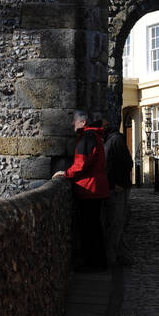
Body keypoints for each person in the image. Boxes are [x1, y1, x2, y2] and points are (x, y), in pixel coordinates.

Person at [53, 110, 109, 269]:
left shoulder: (87, 138)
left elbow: (81, 164)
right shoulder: (95, 136)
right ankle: (98, 262)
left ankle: (93, 264)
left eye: (74, 120)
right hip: (95, 186)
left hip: (89, 188)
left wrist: (65, 173)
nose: (72, 123)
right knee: (94, 227)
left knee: (89, 228)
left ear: (83, 123)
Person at [101, 118, 133, 265]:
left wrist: (118, 183)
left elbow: (127, 162)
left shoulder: (115, 140)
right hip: (112, 187)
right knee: (116, 222)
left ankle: (113, 257)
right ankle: (121, 256)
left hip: (118, 189)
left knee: (116, 222)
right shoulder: (110, 140)